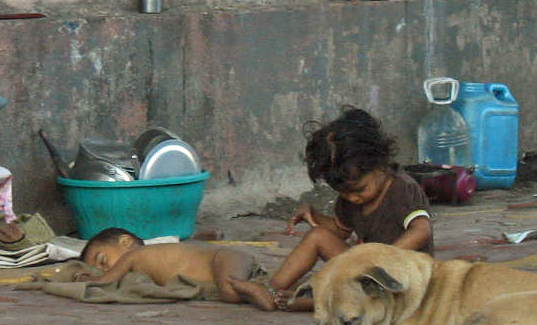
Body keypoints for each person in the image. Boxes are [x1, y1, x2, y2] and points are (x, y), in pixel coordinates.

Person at [261, 108, 434, 312]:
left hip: (404, 276)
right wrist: (313, 216)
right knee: (318, 236)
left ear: (379, 165)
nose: (352, 198)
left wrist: (383, 259)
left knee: (362, 290)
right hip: (365, 269)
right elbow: (340, 230)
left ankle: (317, 301)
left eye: (359, 189)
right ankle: (270, 290)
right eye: (343, 192)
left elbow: (421, 231)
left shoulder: (402, 189)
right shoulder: (350, 199)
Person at [74, 227, 277, 309]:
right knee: (226, 291)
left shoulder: (134, 255)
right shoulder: (155, 256)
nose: (106, 268)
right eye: (100, 268)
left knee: (229, 292)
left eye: (102, 260)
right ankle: (269, 294)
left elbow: (109, 279)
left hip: (224, 258)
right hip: (222, 264)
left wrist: (93, 281)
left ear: (126, 242)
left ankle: (256, 291)